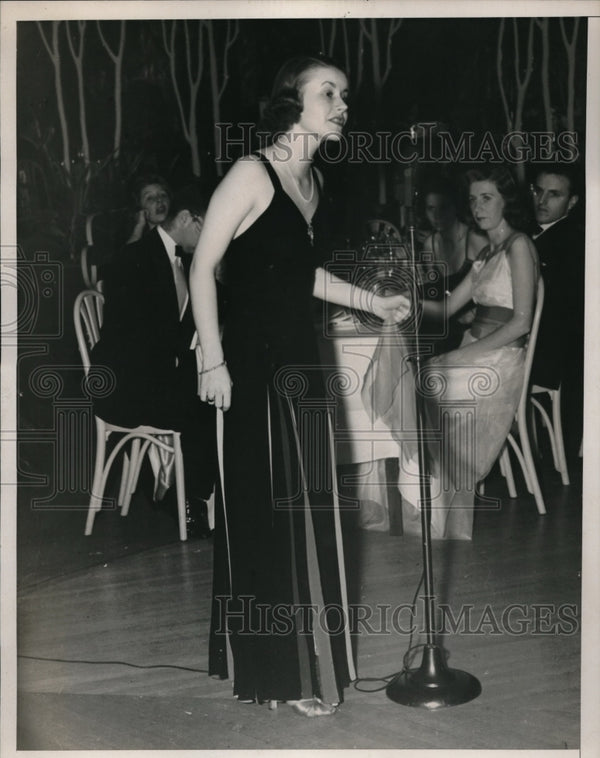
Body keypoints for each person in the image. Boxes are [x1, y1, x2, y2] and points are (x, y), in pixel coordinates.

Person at [189, 55, 407, 716]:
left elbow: (302, 277)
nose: (343, 103)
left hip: (297, 362)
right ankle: (279, 676)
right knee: (265, 516)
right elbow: (203, 267)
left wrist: (373, 303)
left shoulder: (310, 180)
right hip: (250, 367)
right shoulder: (252, 173)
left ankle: (303, 665)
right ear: (293, 103)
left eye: (344, 93)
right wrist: (213, 361)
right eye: (328, 92)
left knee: (306, 511)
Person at [393, 166, 539, 540]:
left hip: (501, 359)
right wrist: (403, 300)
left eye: (487, 197)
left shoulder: (519, 245)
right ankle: (432, 506)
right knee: (416, 380)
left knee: (432, 385)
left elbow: (521, 322)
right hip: (475, 350)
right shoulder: (488, 252)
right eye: (473, 199)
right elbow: (445, 309)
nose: (478, 207)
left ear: (508, 200)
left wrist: (464, 356)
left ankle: (449, 518)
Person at [91, 186, 217, 537]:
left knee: (216, 391)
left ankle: (196, 496)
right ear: (186, 219)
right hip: (126, 384)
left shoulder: (189, 262)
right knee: (206, 401)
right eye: (207, 226)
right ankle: (188, 502)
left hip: (158, 374)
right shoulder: (133, 260)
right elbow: (131, 340)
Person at [529, 163, 584, 461]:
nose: (542, 200)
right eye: (538, 190)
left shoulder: (572, 242)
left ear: (572, 202)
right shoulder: (529, 233)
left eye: (554, 194)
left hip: (552, 356)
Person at [419, 178, 488, 354]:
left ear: (455, 207)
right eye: (431, 209)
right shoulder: (431, 244)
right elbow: (436, 292)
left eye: (443, 208)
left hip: (478, 329)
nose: (436, 216)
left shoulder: (475, 240)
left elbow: (494, 292)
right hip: (447, 324)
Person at [126, 174, 172, 244]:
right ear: (140, 209)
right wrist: (139, 226)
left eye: (163, 195)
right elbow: (128, 254)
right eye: (150, 198)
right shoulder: (144, 243)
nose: (159, 199)